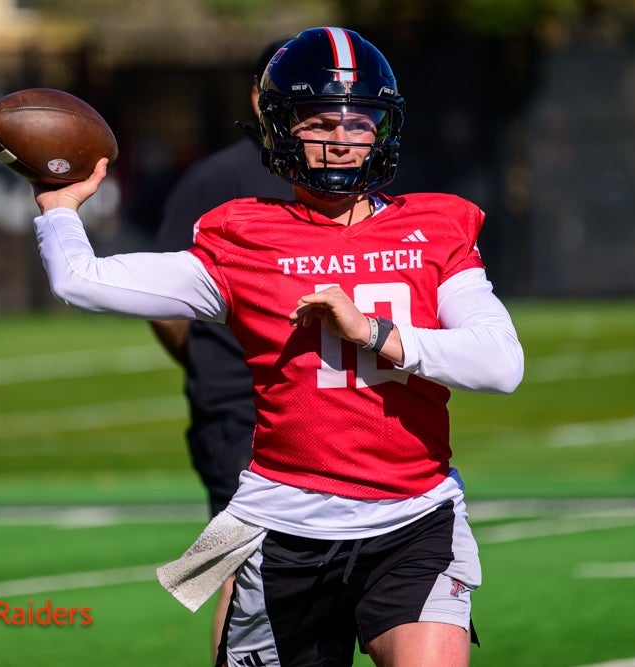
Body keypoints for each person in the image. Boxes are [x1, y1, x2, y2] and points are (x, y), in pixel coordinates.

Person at [31, 27, 524, 667]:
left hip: (415, 514)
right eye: (322, 122)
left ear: (386, 127)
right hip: (283, 527)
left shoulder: (438, 224)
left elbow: (502, 363)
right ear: (282, 128)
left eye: (360, 122)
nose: (343, 141)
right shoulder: (244, 234)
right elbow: (82, 281)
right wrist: (59, 210)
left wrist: (376, 334)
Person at [147, 37, 293, 658]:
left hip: (320, 405)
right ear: (257, 98)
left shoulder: (346, 175)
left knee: (295, 561)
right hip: (238, 405)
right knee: (238, 558)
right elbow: (162, 296)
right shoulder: (217, 179)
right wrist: (211, 358)